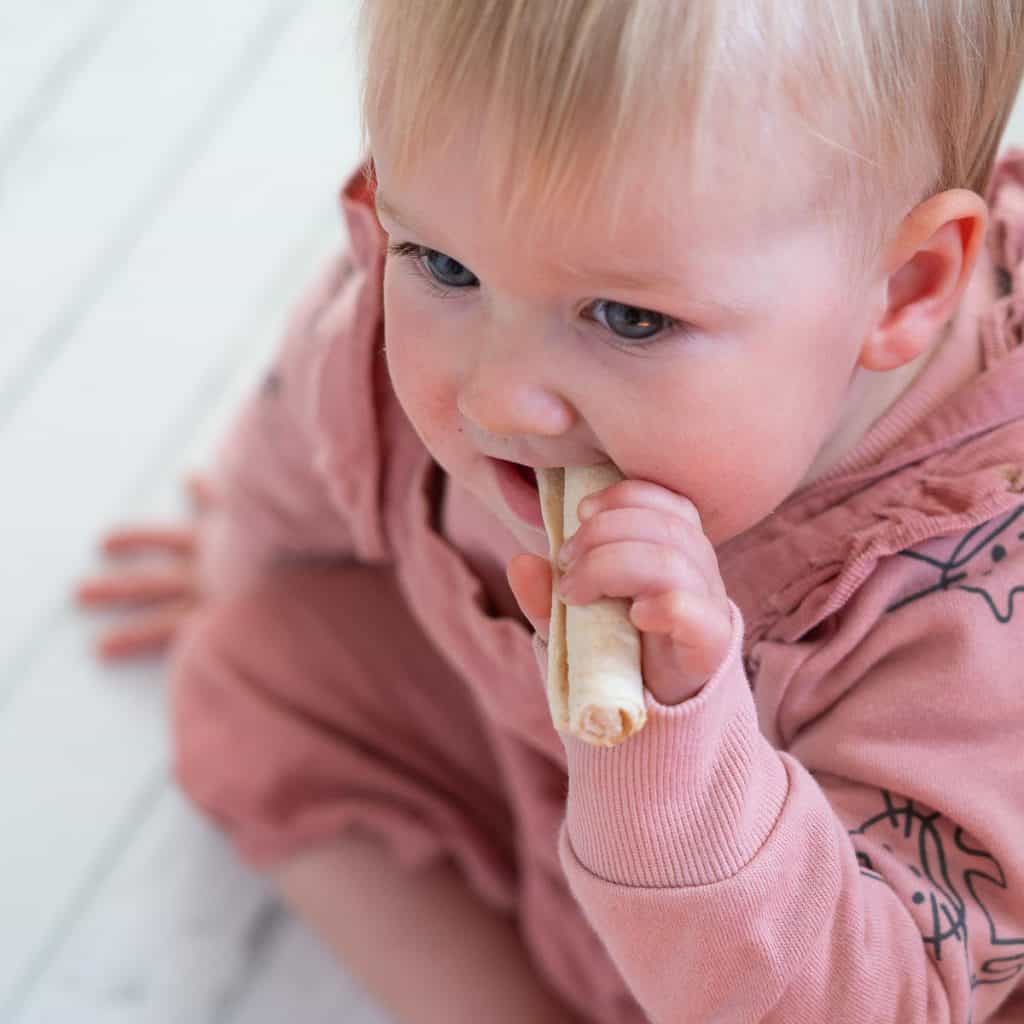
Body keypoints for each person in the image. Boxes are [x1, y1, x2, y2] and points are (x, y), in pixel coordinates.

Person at [75, 2, 1024, 1020]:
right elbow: (324, 414)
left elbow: (870, 1002)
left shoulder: (972, 614)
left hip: (792, 945)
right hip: (530, 776)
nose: (493, 400)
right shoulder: (506, 299)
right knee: (242, 664)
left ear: (900, 288)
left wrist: (665, 752)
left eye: (628, 318)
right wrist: (251, 549)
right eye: (443, 265)